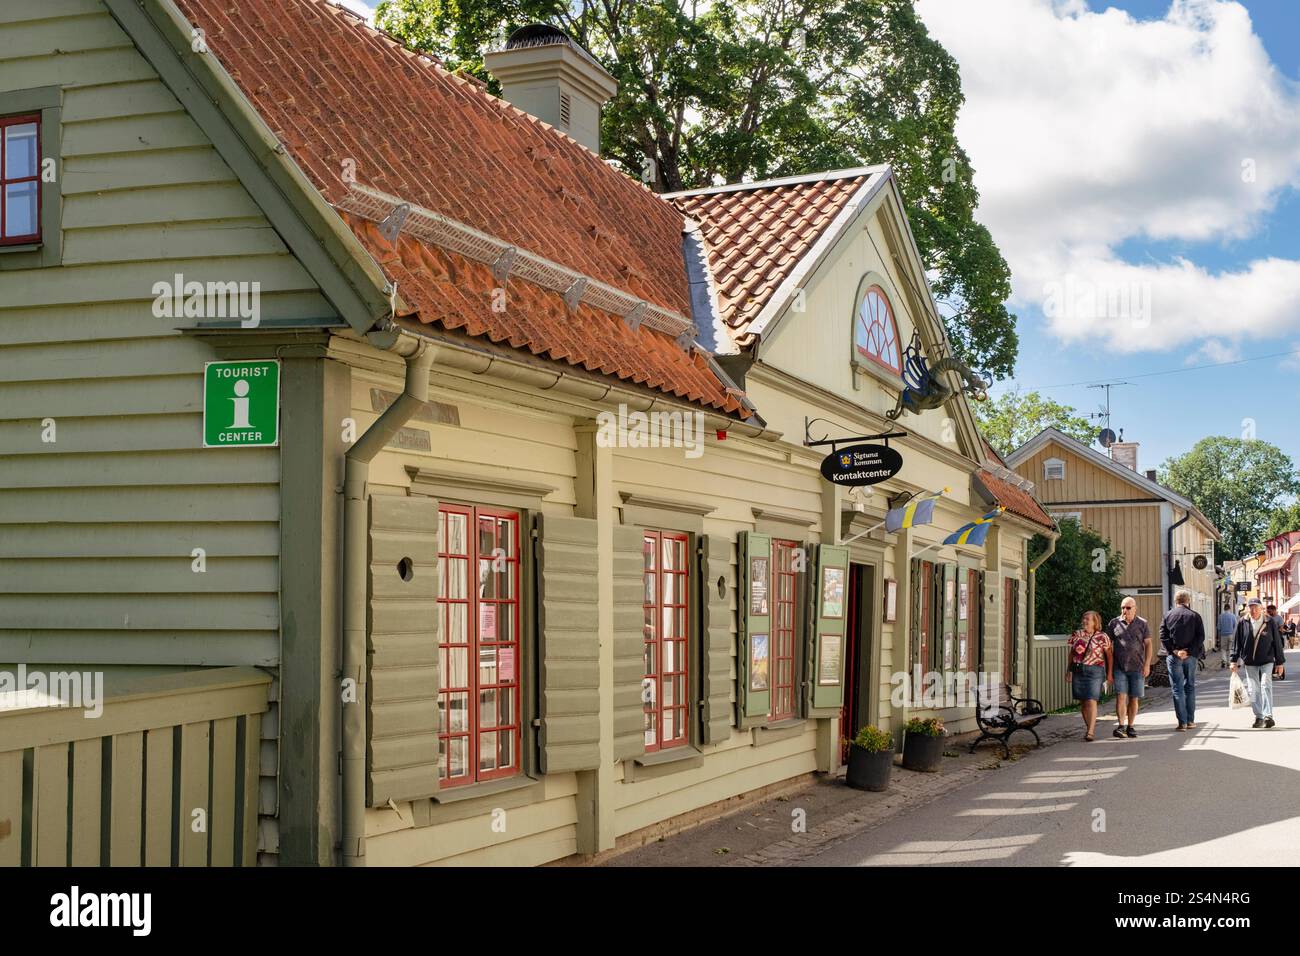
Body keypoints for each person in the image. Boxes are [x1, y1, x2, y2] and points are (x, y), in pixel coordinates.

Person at [1231, 597, 1285, 728]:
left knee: (1265, 684)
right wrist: (1233, 660)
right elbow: (1237, 642)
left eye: (1256, 607)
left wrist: (1280, 662)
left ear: (1261, 608)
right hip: (1250, 660)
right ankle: (1259, 716)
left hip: (1267, 660)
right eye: (1251, 607)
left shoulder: (1269, 622)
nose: (1254, 610)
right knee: (1253, 689)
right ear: (1248, 608)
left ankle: (1268, 716)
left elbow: (1277, 643)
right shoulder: (1243, 622)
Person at [1105, 598, 1153, 738]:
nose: (1125, 610)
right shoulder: (1114, 623)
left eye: (1128, 608)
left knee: (1134, 698)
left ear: (1135, 608)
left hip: (1138, 667)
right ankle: (1120, 726)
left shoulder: (1142, 623)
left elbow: (1148, 645)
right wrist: (1108, 669)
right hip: (1119, 667)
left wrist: (1147, 664)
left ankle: (1130, 726)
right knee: (1121, 696)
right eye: (1122, 607)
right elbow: (1107, 646)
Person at [1159, 589, 1205, 731]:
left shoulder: (1168, 616)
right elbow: (1200, 637)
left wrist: (1174, 650)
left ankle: (1182, 723)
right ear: (1188, 601)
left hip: (1174, 656)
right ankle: (1191, 721)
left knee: (1177, 688)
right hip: (1190, 656)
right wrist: (1189, 651)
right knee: (1189, 686)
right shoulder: (1195, 616)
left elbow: (1163, 635)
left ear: (1175, 601)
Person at [1064, 610, 1113, 742]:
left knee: (1091, 700)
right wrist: (1068, 671)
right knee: (1083, 702)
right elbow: (1071, 654)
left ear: (1095, 622)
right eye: (1084, 618)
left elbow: (1109, 656)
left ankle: (1090, 731)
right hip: (1078, 670)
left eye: (1088, 619)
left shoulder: (1103, 637)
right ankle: (1089, 728)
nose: (1085, 621)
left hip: (1095, 671)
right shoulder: (1076, 634)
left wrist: (1109, 674)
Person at [1217, 604, 1238, 669]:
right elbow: (1235, 625)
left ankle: (1224, 661)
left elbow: (1218, 627)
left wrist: (1219, 634)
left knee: (1223, 649)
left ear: (1224, 608)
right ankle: (1229, 662)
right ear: (1229, 608)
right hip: (1230, 634)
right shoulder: (1233, 616)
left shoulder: (1220, 616)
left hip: (1223, 635)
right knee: (1230, 649)